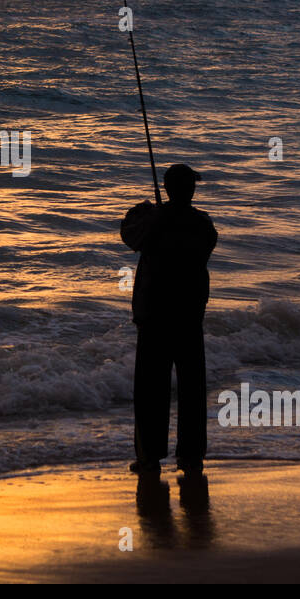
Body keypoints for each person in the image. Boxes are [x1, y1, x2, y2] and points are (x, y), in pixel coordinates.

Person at [120, 163, 217, 475]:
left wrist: (153, 213)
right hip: (187, 315)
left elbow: (129, 235)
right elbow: (206, 245)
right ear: (190, 190)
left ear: (167, 189)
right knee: (192, 388)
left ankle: (149, 456)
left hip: (155, 316)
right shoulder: (200, 223)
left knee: (151, 388)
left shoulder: (154, 221)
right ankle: (191, 456)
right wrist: (159, 215)